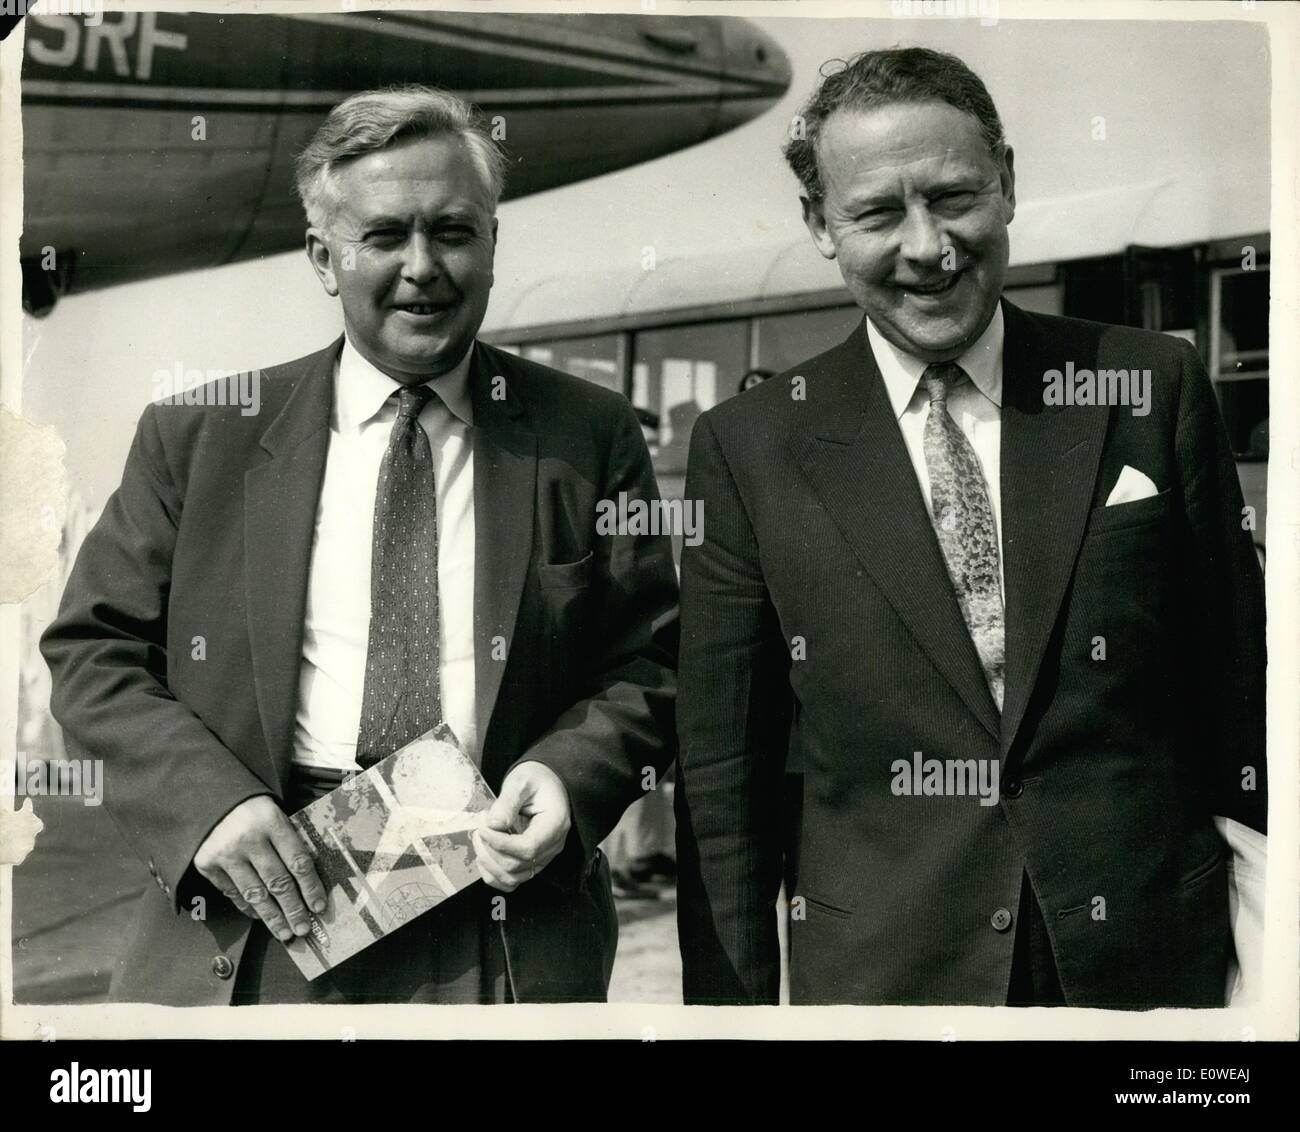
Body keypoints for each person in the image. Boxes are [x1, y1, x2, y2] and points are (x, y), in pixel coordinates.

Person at [41, 86, 678, 1006]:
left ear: (492, 244)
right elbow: (93, 652)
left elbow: (652, 660)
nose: (423, 268)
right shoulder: (200, 435)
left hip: (499, 921)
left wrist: (567, 775)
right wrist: (209, 805)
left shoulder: (590, 434)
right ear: (323, 258)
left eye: (453, 232)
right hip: (259, 916)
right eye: (384, 236)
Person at [674, 47, 1266, 1007]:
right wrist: (731, 1025)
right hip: (887, 989)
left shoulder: (1149, 387)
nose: (928, 246)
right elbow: (724, 781)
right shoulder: (750, 447)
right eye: (877, 213)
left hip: (1148, 972)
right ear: (819, 224)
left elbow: (1245, 695)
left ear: (1009, 184)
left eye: (954, 197)